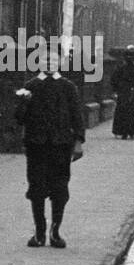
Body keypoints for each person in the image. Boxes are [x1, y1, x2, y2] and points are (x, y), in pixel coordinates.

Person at [14, 70, 85, 248]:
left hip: (60, 146)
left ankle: (55, 232)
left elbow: (77, 116)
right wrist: (23, 102)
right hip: (36, 145)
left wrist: (78, 142)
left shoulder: (68, 87)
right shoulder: (31, 85)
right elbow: (19, 118)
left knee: (60, 188)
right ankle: (39, 232)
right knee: (36, 188)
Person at [111, 47, 134, 139]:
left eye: (132, 56)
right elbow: (113, 81)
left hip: (131, 93)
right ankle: (126, 131)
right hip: (127, 93)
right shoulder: (122, 69)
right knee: (128, 112)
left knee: (130, 112)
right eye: (128, 56)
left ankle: (129, 131)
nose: (130, 58)